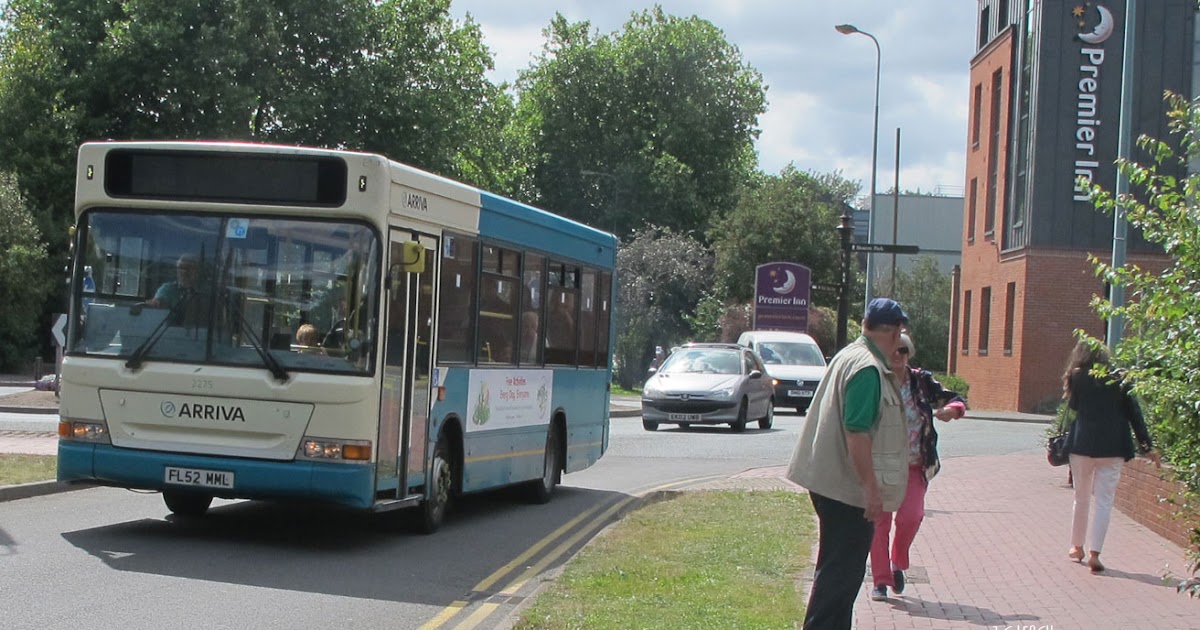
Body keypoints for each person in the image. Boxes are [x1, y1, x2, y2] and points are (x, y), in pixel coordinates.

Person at [785, 297, 910, 629]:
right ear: (897, 332)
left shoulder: (851, 355)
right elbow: (857, 433)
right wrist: (871, 490)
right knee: (839, 579)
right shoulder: (867, 369)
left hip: (831, 482)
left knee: (839, 577)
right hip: (846, 489)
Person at [869, 333, 966, 601]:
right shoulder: (874, 379)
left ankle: (897, 562)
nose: (897, 356)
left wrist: (952, 410)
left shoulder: (921, 380)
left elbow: (954, 398)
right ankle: (880, 580)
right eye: (893, 351)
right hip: (882, 464)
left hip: (915, 463)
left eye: (903, 351)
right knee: (879, 522)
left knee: (911, 516)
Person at [1062, 339, 1159, 573]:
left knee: (1081, 497)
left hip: (1082, 445)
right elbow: (1135, 413)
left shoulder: (1077, 377)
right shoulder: (1120, 378)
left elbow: (1073, 409)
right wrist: (1147, 446)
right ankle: (1096, 552)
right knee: (1104, 501)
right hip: (1113, 447)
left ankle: (1077, 547)